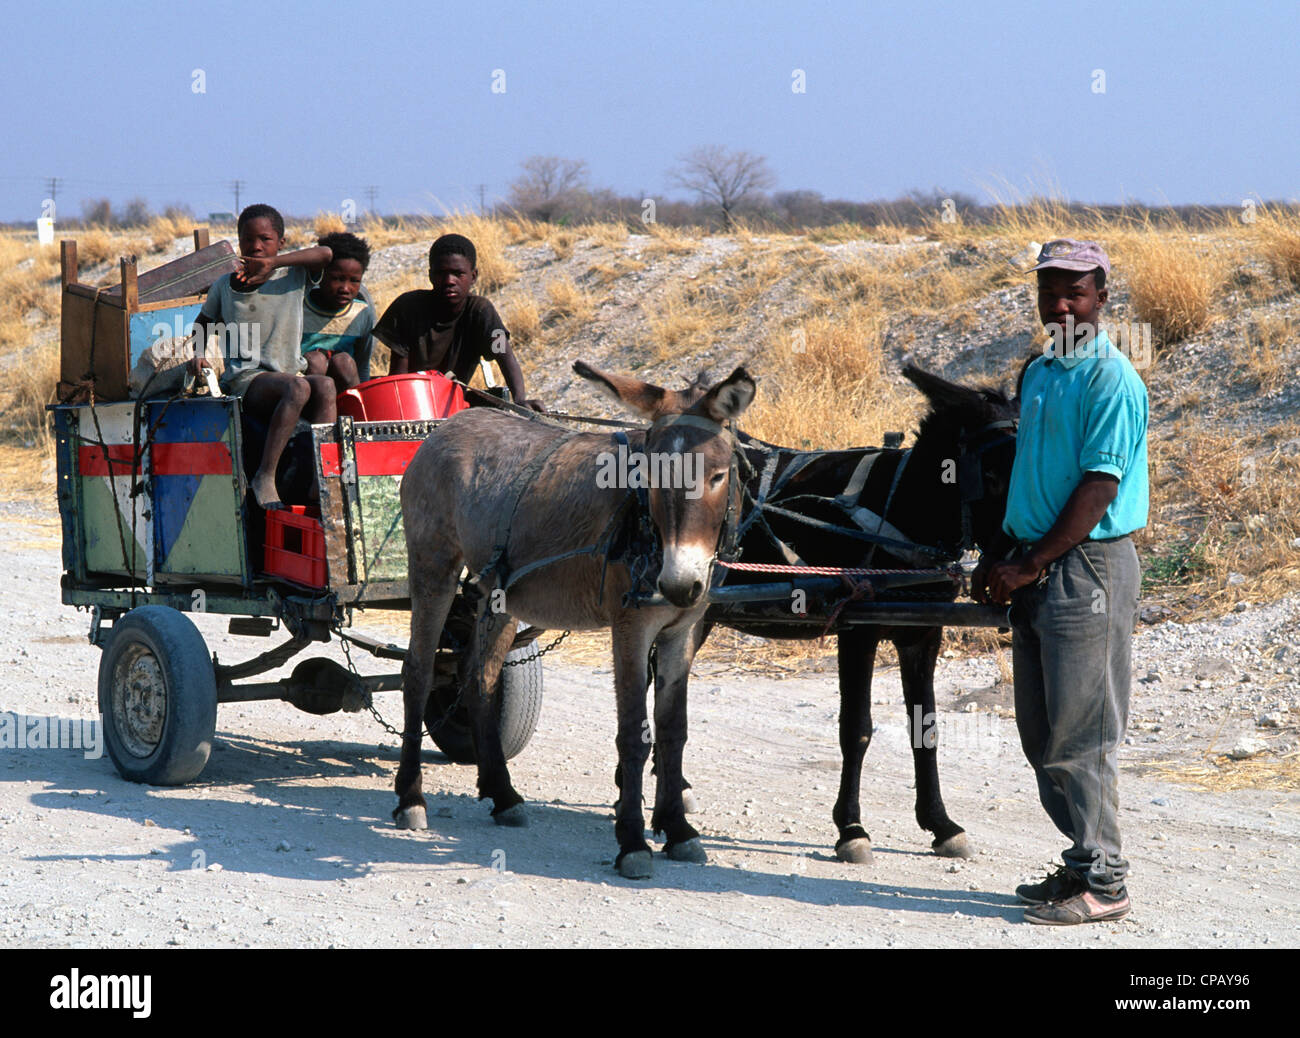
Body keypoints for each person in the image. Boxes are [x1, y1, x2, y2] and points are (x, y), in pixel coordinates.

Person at [973, 239, 1149, 925]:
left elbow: (1100, 486)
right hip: (1036, 562)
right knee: (1042, 735)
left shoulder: (1112, 379)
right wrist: (1002, 555)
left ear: (1103, 296)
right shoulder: (1041, 372)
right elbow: (1030, 476)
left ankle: (1104, 883)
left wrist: (1032, 562)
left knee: (1085, 733)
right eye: (1050, 290)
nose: (1061, 304)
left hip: (1088, 568)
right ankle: (1080, 864)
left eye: (1075, 291)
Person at [189, 204, 335, 509]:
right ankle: (265, 476)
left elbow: (326, 254)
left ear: (281, 242)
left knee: (325, 386)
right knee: (300, 387)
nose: (256, 246)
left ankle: (321, 476)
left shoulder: (292, 274)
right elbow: (203, 322)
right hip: (248, 381)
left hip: (287, 375)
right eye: (248, 240)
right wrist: (199, 354)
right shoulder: (226, 286)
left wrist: (274, 263)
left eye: (265, 239)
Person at [372, 233, 544, 411]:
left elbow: (504, 354)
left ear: (473, 276)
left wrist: (519, 400)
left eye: (458, 274)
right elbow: (398, 378)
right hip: (413, 403)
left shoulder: (482, 311)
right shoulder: (407, 307)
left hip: (454, 404)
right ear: (431, 276)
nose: (449, 281)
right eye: (441, 273)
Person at [302, 231, 376, 391]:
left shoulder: (361, 313)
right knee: (316, 360)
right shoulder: (300, 308)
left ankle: (356, 412)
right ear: (321, 274)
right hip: (305, 388)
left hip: (344, 387)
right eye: (337, 279)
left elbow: (363, 364)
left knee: (344, 361)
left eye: (354, 281)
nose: (345, 288)